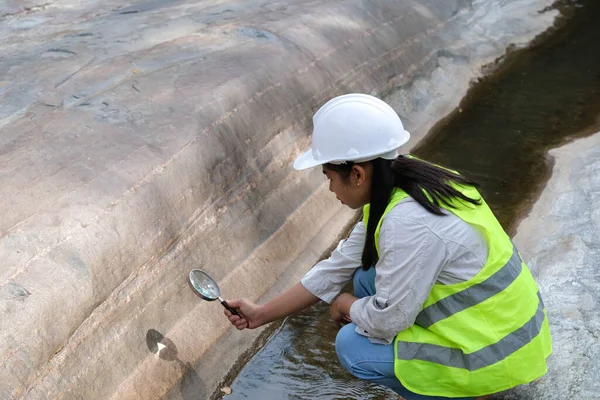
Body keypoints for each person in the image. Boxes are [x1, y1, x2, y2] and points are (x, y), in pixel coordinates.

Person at [224, 94, 552, 399]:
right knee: (367, 275)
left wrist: (346, 305)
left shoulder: (407, 223)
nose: (329, 188)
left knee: (353, 346)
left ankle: (470, 393)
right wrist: (261, 314)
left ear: (355, 174)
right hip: (506, 331)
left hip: (496, 357)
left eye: (329, 176)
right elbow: (336, 267)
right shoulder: (410, 182)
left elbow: (388, 320)